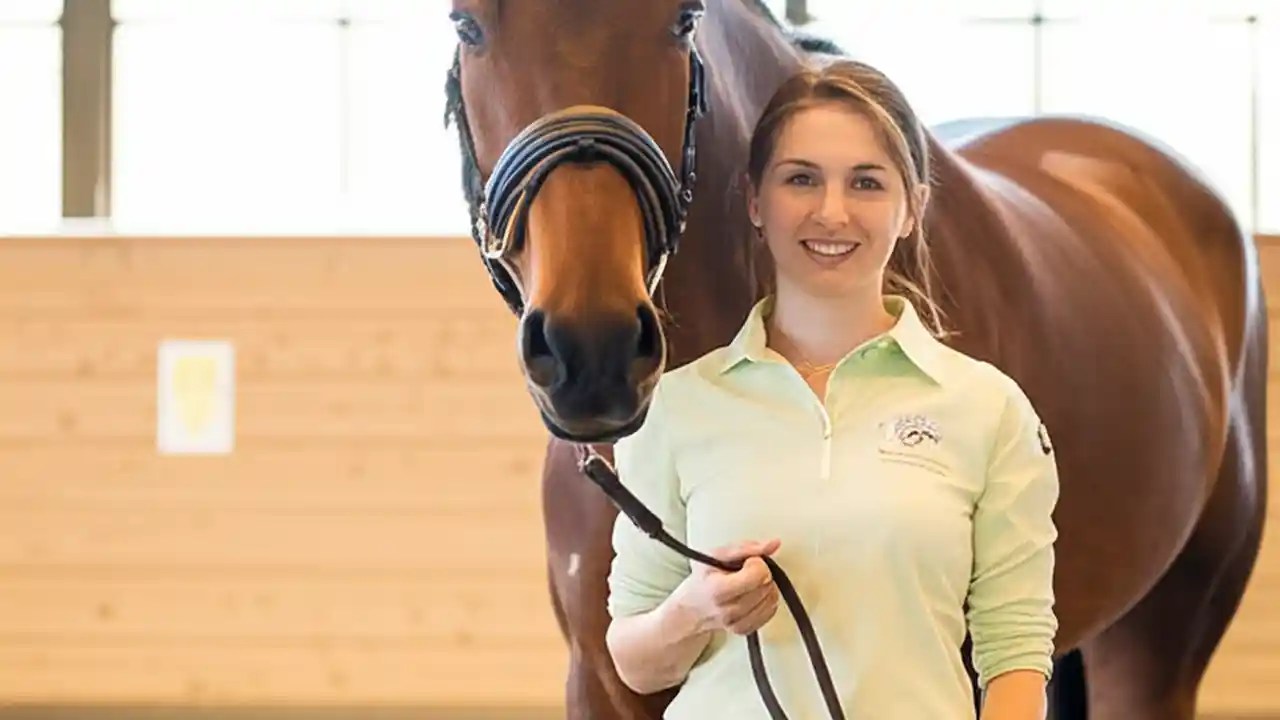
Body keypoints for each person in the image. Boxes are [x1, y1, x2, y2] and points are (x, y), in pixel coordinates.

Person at [603, 59, 1059, 720]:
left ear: (912, 208)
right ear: (755, 201)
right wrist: (694, 611)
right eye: (802, 179)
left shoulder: (988, 409)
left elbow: (1015, 648)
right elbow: (636, 663)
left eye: (866, 183)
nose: (832, 212)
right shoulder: (676, 407)